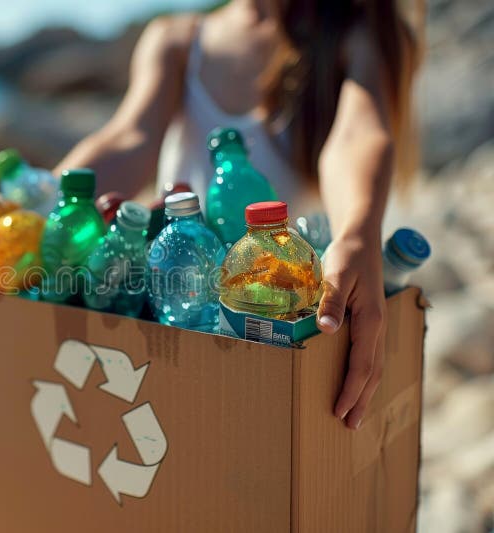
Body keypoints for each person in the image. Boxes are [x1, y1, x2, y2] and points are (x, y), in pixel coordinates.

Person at [54, 0, 422, 430]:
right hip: (179, 310)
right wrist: (32, 210)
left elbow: (357, 134)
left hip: (279, 319)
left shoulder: (357, 32)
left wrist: (357, 235)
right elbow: (127, 137)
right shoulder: (178, 39)